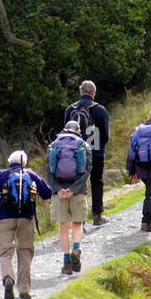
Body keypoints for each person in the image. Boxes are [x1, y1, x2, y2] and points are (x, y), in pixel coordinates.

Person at [0, 149, 52, 299]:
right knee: (25, 252)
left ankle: (8, 278)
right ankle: (24, 290)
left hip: (5, 219)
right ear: (24, 163)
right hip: (26, 219)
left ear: (10, 161)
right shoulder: (30, 175)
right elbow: (47, 193)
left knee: (6, 252)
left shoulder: (1, 175)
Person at [46, 120, 90, 276]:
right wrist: (73, 189)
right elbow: (87, 170)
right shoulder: (83, 145)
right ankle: (76, 248)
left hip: (59, 193)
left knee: (63, 227)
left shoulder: (53, 145)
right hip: (77, 191)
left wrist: (58, 190)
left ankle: (67, 263)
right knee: (77, 223)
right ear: (78, 131)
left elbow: (49, 171)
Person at [64, 80, 110, 226]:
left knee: (78, 184)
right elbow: (106, 134)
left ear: (80, 92)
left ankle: (79, 220)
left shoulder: (70, 110)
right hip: (96, 152)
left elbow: (65, 131)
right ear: (93, 93)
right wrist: (99, 146)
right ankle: (97, 215)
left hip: (75, 153)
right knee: (97, 182)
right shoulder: (100, 109)